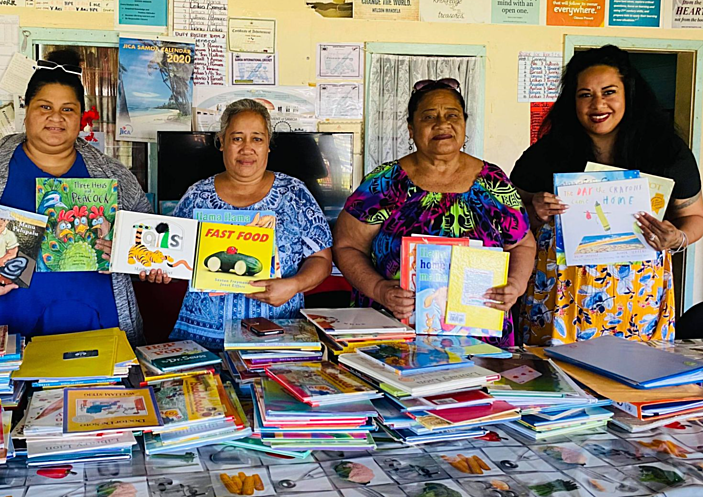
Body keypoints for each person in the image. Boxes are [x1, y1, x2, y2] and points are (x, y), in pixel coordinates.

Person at [0, 49, 165, 344]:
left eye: (68, 109)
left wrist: (144, 261)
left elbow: (148, 237)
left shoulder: (113, 175)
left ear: (81, 116)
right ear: (26, 109)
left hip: (97, 324)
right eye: (44, 107)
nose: (56, 117)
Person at [510, 45, 703, 345]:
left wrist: (676, 238)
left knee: (635, 380)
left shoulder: (666, 152)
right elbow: (510, 215)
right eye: (585, 94)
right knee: (559, 383)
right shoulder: (546, 154)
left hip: (639, 301)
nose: (598, 104)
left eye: (609, 92)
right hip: (560, 303)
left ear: (629, 94)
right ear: (572, 101)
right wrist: (534, 210)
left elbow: (695, 216)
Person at [333, 79, 535, 348]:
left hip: (479, 337)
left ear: (464, 124)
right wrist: (379, 289)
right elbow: (347, 246)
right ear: (411, 129)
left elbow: (523, 242)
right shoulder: (386, 183)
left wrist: (516, 285)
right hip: (393, 334)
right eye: (429, 116)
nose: (442, 124)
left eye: (452, 115)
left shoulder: (492, 182)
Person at [169, 99, 333, 350]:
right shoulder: (197, 196)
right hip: (202, 339)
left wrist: (293, 285)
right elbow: (170, 257)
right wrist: (159, 269)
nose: (247, 148)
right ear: (221, 142)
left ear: (268, 145)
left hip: (277, 332)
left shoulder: (294, 193)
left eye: (256, 139)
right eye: (237, 138)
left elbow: (322, 260)